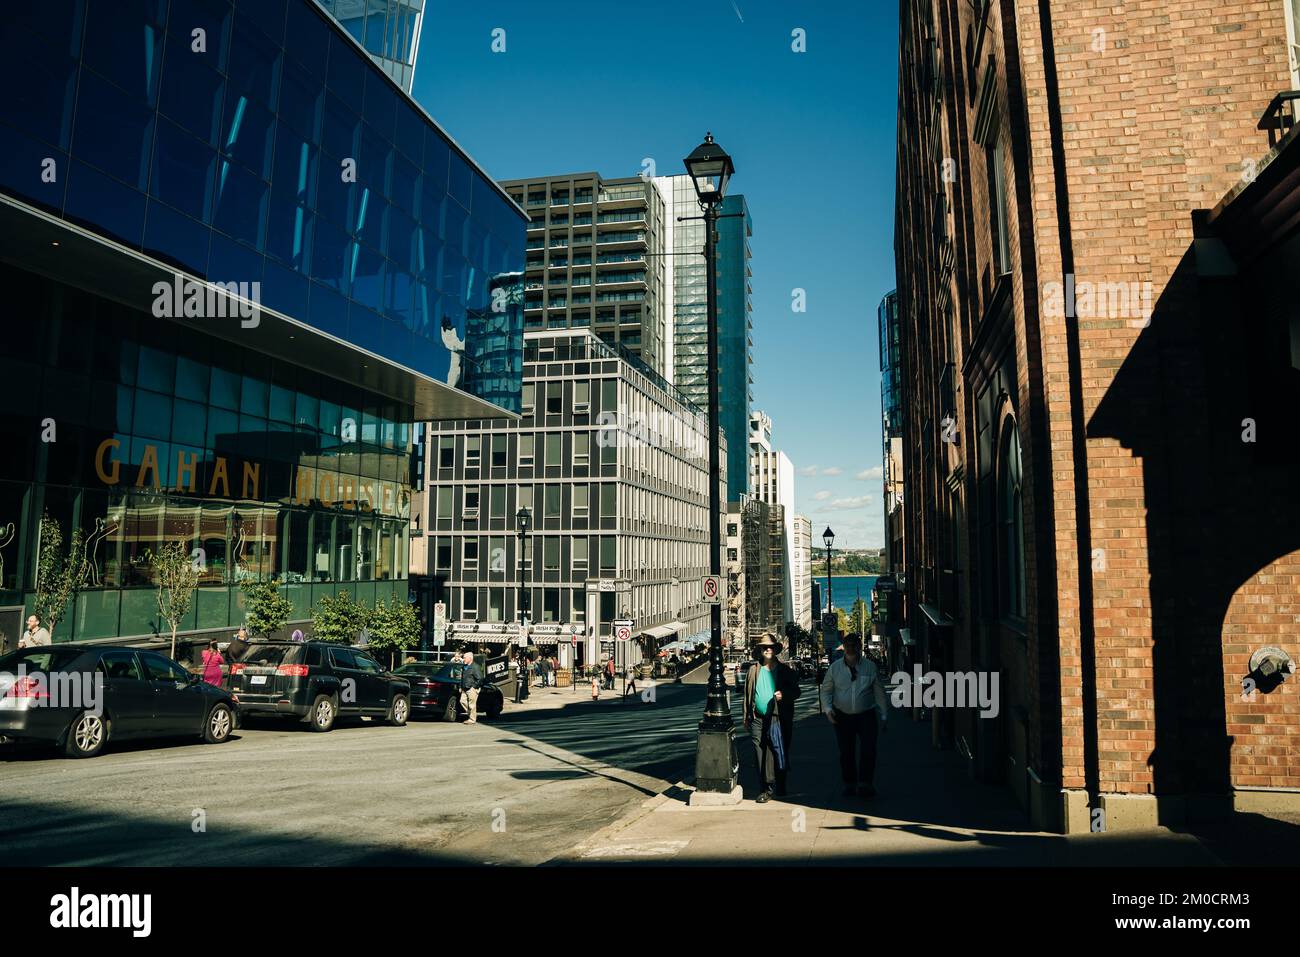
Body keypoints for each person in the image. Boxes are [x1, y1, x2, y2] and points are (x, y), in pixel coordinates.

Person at [819, 632, 889, 798]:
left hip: (866, 715)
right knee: (846, 752)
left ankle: (865, 783)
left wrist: (884, 715)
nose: (851, 648)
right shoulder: (835, 668)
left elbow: (879, 692)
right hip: (842, 716)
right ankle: (849, 783)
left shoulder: (870, 667)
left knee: (868, 750)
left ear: (859, 647)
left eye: (854, 645)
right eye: (848, 645)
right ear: (844, 647)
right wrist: (828, 710)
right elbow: (826, 690)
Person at [743, 633, 801, 802]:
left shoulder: (785, 671)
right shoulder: (753, 670)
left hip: (779, 718)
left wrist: (784, 695)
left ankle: (780, 783)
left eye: (770, 647)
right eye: (764, 647)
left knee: (778, 751)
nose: (768, 649)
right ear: (760, 650)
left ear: (775, 649)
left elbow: (796, 692)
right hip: (757, 718)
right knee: (760, 753)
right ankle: (765, 789)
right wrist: (746, 716)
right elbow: (747, 695)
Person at [460, 651, 483, 723]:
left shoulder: (475, 667)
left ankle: (472, 719)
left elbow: (480, 678)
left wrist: (474, 687)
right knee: (462, 701)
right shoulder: (464, 666)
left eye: (465, 658)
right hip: (464, 688)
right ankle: (471, 715)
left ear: (470, 658)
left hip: (472, 688)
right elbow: (462, 678)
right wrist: (461, 687)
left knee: (472, 704)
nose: (463, 659)